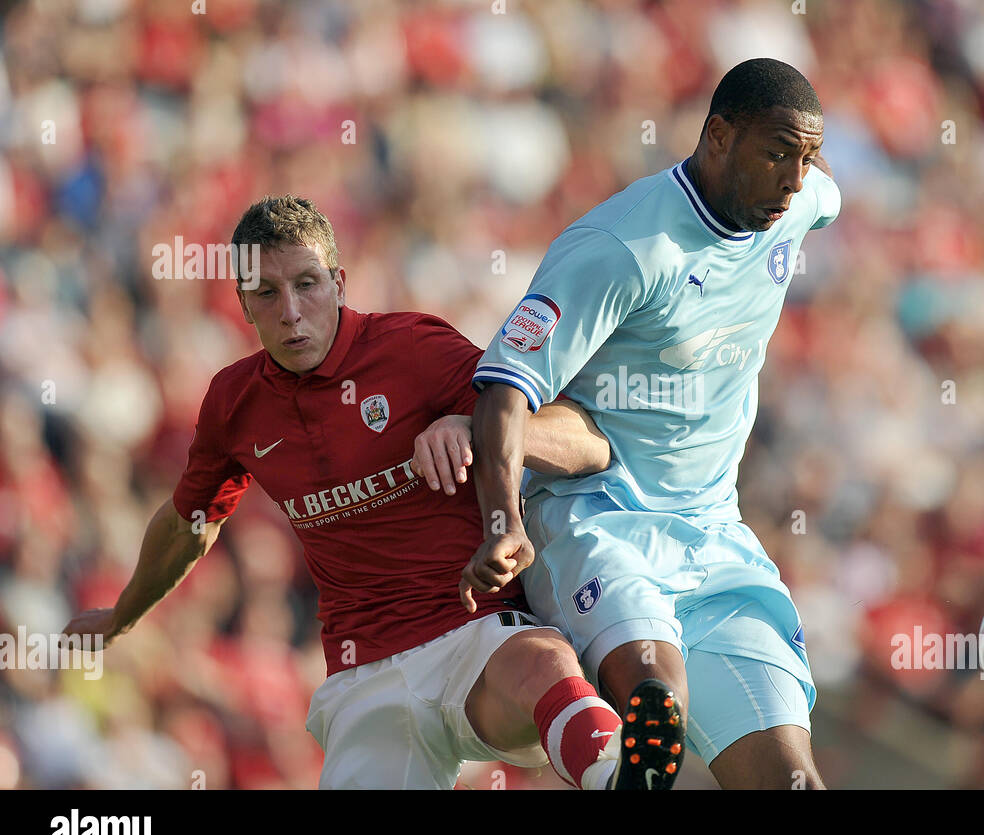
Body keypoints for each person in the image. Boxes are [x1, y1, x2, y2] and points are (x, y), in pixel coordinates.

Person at [63, 196, 674, 790]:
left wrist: (474, 425)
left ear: (340, 281)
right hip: (366, 675)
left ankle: (621, 772)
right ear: (243, 305)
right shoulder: (233, 404)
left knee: (543, 662)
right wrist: (121, 617)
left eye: (307, 284)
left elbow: (588, 440)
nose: (292, 312)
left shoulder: (412, 348)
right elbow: (186, 526)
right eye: (267, 294)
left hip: (474, 632)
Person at [462, 58, 840, 788]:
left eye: (806, 158)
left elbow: (825, 196)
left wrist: (801, 172)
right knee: (656, 698)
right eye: (775, 154)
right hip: (600, 519)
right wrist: (501, 522)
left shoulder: (801, 201)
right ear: (718, 136)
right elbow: (505, 390)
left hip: (715, 533)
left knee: (791, 777)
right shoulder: (621, 247)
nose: (794, 181)